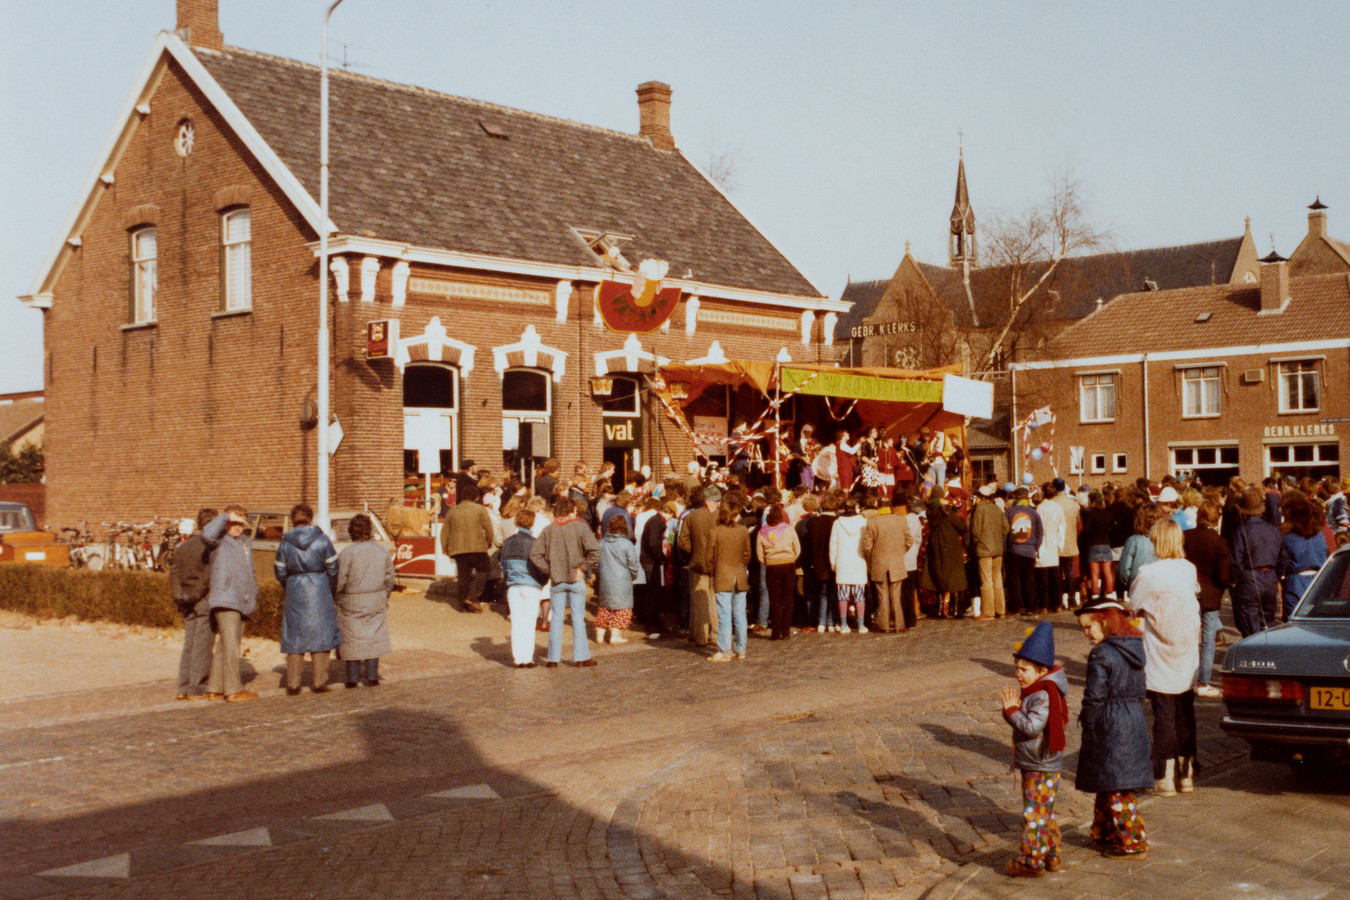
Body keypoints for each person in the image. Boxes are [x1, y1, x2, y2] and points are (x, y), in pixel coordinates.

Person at [1129, 519, 1201, 796]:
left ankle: (1164, 776)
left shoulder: (1149, 573)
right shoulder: (1188, 568)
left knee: (1164, 715)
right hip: (1185, 648)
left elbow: (1134, 606)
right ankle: (1187, 773)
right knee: (1185, 712)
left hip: (1160, 651)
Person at [1076, 598, 1152, 859]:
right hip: (1133, 717)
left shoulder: (1101, 653)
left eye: (1090, 627)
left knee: (1117, 785)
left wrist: (1089, 723)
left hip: (1111, 721)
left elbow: (1094, 696)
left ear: (1105, 623)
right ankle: (1103, 832)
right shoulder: (1133, 647)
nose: (1086, 633)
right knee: (1110, 779)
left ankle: (1134, 842)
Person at [1000, 620, 1069, 878]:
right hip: (1036, 761)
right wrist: (1013, 710)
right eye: (1016, 668)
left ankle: (1031, 861)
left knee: (1035, 814)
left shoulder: (1043, 694)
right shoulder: (1035, 690)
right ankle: (1052, 854)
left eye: (1024, 669)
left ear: (1041, 671)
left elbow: (1031, 727)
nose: (1018, 674)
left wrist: (1011, 711)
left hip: (1041, 763)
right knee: (1043, 811)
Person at [274, 503, 340, 695]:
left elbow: (279, 570)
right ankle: (319, 682)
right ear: (311, 518)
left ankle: (293, 684)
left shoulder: (285, 542)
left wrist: (290, 584)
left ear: (293, 519)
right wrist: (328, 586)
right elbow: (333, 568)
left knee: (295, 636)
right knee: (321, 635)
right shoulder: (322, 540)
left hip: (295, 588)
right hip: (319, 588)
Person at [529, 496, 601, 668]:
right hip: (576, 578)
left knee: (556, 618)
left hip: (557, 580)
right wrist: (583, 567)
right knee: (578, 618)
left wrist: (549, 570)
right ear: (571, 512)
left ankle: (553, 658)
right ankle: (582, 657)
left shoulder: (548, 530)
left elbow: (535, 554)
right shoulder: (580, 528)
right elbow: (595, 551)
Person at [200, 506, 259, 702]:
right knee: (232, 646)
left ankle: (215, 687)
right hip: (226, 598)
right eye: (233, 523)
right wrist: (224, 517)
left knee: (225, 645)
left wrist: (253, 594)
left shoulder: (244, 542)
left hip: (241, 599)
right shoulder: (219, 540)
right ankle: (233, 690)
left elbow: (249, 571)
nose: (238, 527)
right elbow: (206, 534)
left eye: (242, 524)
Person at [334, 513, 396, 686]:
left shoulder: (347, 553)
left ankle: (352, 678)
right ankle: (372, 675)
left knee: (352, 637)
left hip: (352, 600)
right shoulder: (382, 551)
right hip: (376, 598)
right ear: (370, 531)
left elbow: (341, 580)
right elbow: (390, 578)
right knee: (373, 635)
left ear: (351, 531)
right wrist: (385, 594)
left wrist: (337, 597)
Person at [169, 508, 218, 700]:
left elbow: (174, 573)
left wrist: (180, 596)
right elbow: (207, 576)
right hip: (202, 599)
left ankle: (183, 686)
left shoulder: (182, 547)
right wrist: (197, 595)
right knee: (202, 644)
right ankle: (197, 686)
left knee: (189, 643)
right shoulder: (210, 547)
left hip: (186, 599)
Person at [1183, 500, 1230, 699]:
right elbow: (1224, 576)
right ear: (1216, 518)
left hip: (1188, 592)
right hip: (1210, 594)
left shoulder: (1186, 536)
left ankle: (1184, 680)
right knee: (1208, 640)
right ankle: (1203, 682)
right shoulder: (1220, 542)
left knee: (1187, 638)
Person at [1229, 486, 1282, 636]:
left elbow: (1236, 561)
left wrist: (1234, 582)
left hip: (1250, 579)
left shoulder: (1241, 530)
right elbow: (1282, 556)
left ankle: (1255, 649)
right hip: (1270, 578)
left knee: (1251, 629)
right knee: (1268, 625)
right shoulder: (1273, 529)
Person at [440, 483, 497, 613]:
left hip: (458, 549)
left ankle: (462, 603)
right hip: (478, 547)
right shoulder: (480, 509)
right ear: (476, 497)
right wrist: (489, 541)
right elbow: (488, 528)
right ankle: (472, 596)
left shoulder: (453, 511)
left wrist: (445, 547)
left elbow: (445, 531)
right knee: (484, 570)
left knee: (463, 576)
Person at [500, 508, 545, 667]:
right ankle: (527, 657)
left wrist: (509, 578)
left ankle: (518, 658)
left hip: (513, 586)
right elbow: (541, 567)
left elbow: (503, 565)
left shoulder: (508, 542)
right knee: (529, 623)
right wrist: (541, 581)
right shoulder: (535, 543)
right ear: (532, 523)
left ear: (516, 522)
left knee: (517, 622)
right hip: (531, 585)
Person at [706, 501, 751, 661]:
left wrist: (714, 572)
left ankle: (725, 650)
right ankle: (740, 649)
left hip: (722, 575)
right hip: (739, 575)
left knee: (724, 615)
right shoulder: (743, 531)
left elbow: (709, 558)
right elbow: (747, 555)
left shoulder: (715, 532)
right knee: (740, 614)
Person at [861, 498, 912, 633]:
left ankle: (884, 626)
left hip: (879, 563)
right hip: (896, 562)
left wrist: (873, 556)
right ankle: (899, 624)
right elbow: (909, 541)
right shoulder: (901, 520)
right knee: (896, 594)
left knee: (882, 594)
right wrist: (900, 552)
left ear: (878, 507)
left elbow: (867, 546)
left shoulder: (872, 522)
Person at [678, 485, 721, 646]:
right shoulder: (722, 515)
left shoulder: (691, 516)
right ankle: (716, 634)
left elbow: (683, 542)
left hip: (698, 562)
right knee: (716, 599)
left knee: (700, 600)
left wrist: (694, 552)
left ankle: (701, 637)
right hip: (718, 563)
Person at [1278, 492, 1330, 622]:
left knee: (1293, 619)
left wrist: (1281, 576)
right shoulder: (1319, 535)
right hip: (1318, 579)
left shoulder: (1288, 538)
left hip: (1296, 581)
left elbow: (1283, 563)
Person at [757, 503, 800, 640]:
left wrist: (768, 561)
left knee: (774, 600)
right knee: (787, 599)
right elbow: (798, 549)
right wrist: (791, 558)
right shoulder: (789, 529)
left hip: (772, 567)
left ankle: (775, 632)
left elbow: (759, 555)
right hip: (788, 565)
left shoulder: (762, 532)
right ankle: (786, 631)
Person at [596, 516, 642, 644]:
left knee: (605, 607)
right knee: (623, 608)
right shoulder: (627, 544)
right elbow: (633, 564)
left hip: (605, 579)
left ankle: (600, 635)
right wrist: (633, 575)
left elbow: (596, 562)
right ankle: (615, 635)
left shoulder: (602, 542)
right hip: (622, 580)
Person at [829, 497, 869, 632]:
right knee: (859, 596)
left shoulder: (837, 523)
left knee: (843, 596)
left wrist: (833, 563)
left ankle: (844, 624)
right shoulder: (863, 522)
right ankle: (861, 625)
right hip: (859, 561)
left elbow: (833, 545)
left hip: (842, 562)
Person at [970, 485, 1008, 618]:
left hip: (984, 549)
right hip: (998, 549)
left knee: (986, 581)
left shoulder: (979, 509)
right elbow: (1006, 528)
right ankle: (1000, 610)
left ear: (980, 497)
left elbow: (975, 531)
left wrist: (978, 542)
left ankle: (988, 612)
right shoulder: (997, 509)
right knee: (997, 579)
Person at [1004, 488, 1042, 616]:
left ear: (1015, 498)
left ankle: (1016, 607)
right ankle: (1030, 607)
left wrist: (1005, 548)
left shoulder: (1009, 512)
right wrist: (1035, 547)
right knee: (1029, 579)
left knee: (1014, 580)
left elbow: (1005, 532)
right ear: (1027, 498)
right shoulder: (1033, 512)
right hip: (1029, 550)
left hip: (1013, 549)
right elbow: (1040, 532)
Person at [1050, 478, 1082, 609]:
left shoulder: (1051, 503)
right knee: (1069, 571)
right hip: (1070, 542)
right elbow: (1078, 523)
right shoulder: (1073, 504)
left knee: (1057, 573)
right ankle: (1072, 600)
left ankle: (1058, 601)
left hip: (1055, 543)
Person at [1116, 503, 1161, 597]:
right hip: (1159, 587)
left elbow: (1123, 570)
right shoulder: (1165, 540)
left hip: (1138, 588)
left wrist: (1131, 585)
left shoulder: (1133, 541)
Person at [1035, 484, 1067, 614]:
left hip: (1043, 542)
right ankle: (1057, 604)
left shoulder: (1040, 507)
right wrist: (1060, 542)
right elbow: (1062, 526)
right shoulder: (1058, 507)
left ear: (1043, 492)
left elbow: (1038, 526)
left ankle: (1044, 605)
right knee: (1055, 576)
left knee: (1043, 576)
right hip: (1054, 542)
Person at [1080, 490, 1115, 602]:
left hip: (1093, 544)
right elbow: (1111, 529)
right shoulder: (1109, 514)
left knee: (1094, 573)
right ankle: (1110, 594)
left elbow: (1086, 531)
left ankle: (1095, 595)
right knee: (1107, 572)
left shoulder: (1090, 514)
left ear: (1093, 502)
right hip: (1106, 543)